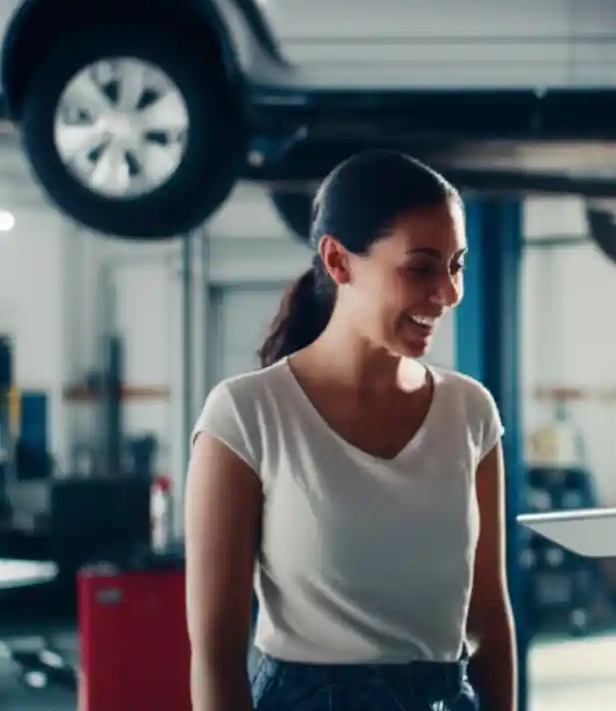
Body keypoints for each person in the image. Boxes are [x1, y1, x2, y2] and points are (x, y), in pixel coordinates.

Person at [184, 150, 516, 711]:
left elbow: (489, 620)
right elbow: (216, 652)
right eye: (421, 267)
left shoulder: (469, 411)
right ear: (338, 261)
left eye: (456, 265)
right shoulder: (247, 414)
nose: (449, 293)